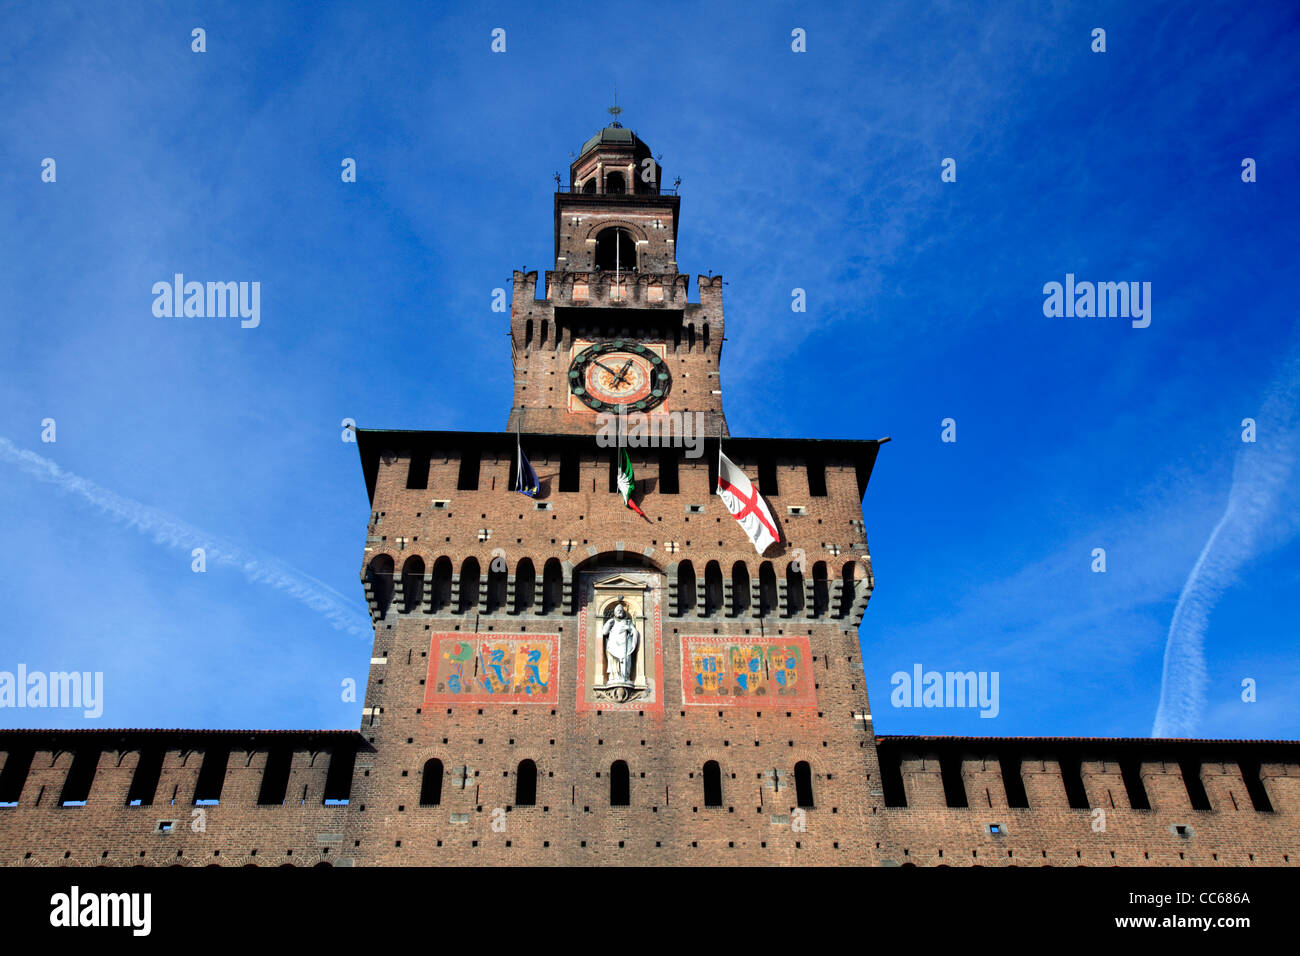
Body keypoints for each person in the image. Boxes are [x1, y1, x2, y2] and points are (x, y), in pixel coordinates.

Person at [601, 601, 640, 684]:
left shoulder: (628, 623)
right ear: (614, 612)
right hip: (614, 646)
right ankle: (614, 677)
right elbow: (604, 632)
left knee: (626, 660)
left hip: (625, 646)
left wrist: (628, 629)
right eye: (618, 610)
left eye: (621, 610)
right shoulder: (612, 622)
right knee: (614, 662)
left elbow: (635, 632)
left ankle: (625, 676)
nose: (619, 612)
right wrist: (608, 623)